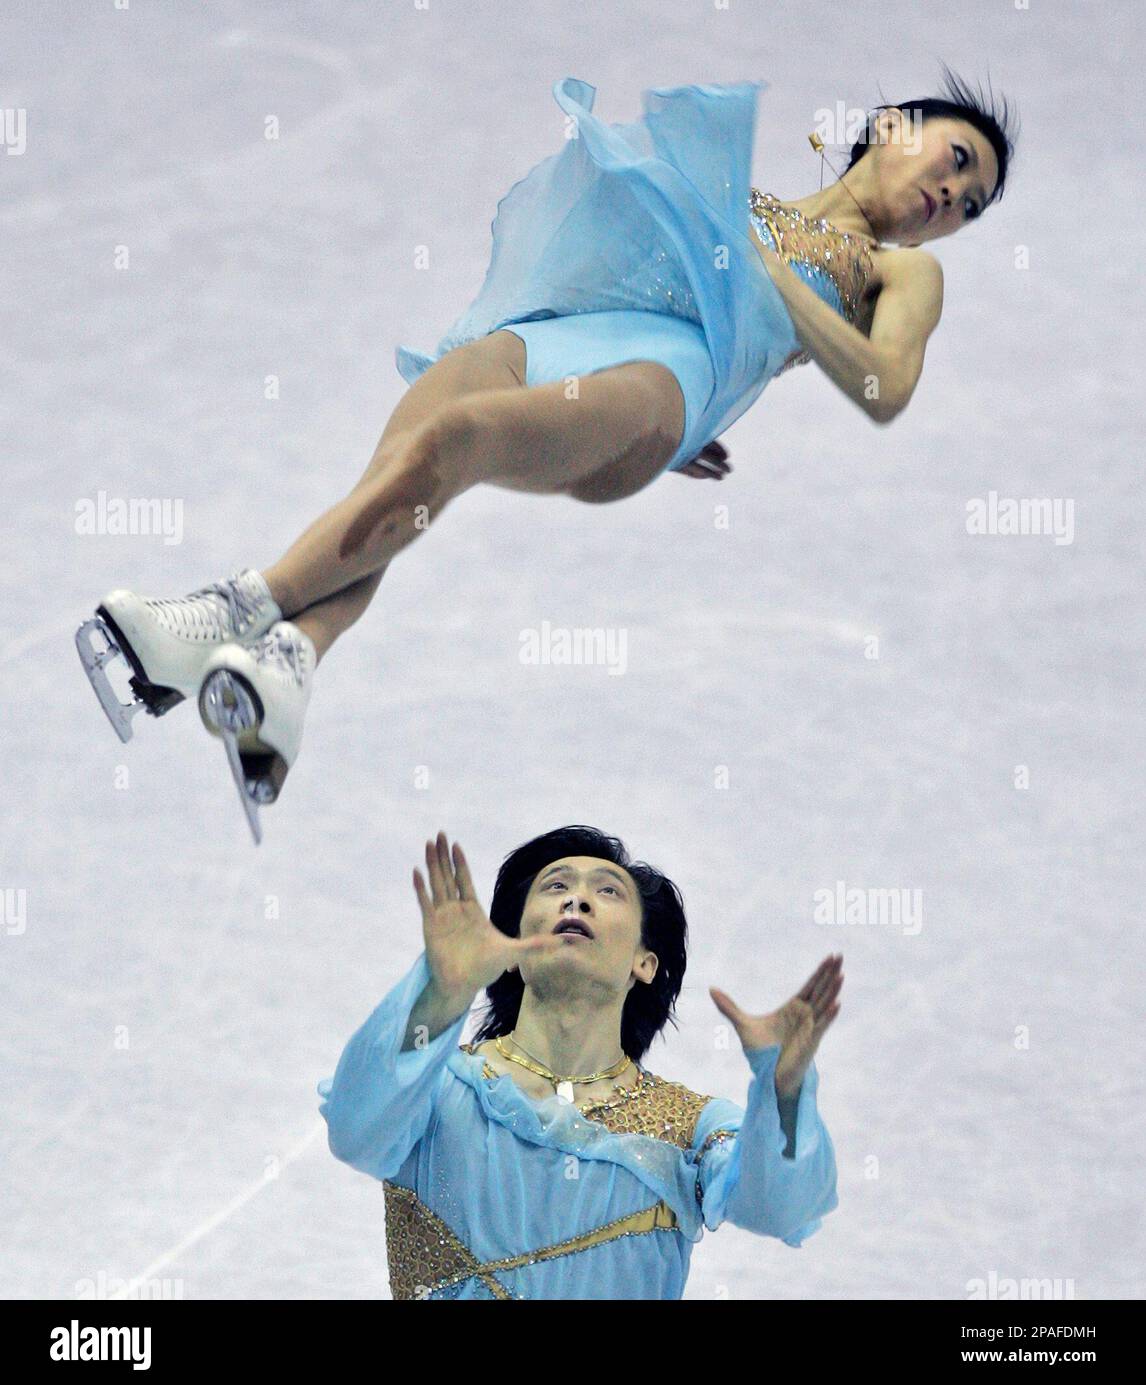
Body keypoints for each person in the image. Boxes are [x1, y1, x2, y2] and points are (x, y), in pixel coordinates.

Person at [76, 66, 1017, 838]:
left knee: (454, 441)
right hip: (574, 336)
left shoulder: (901, 272)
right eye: (957, 160)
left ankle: (214, 618)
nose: (952, 199)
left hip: (661, 391)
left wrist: (764, 301)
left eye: (971, 205)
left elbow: (883, 386)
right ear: (892, 125)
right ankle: (286, 666)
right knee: (408, 465)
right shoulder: (747, 196)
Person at [318, 827, 844, 1299]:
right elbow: (355, 1129)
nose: (578, 899)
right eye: (555, 886)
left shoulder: (689, 1131)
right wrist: (440, 996)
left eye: (608, 891)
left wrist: (784, 1089)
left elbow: (779, 1208)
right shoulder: (434, 1091)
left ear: (645, 962)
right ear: (516, 948)